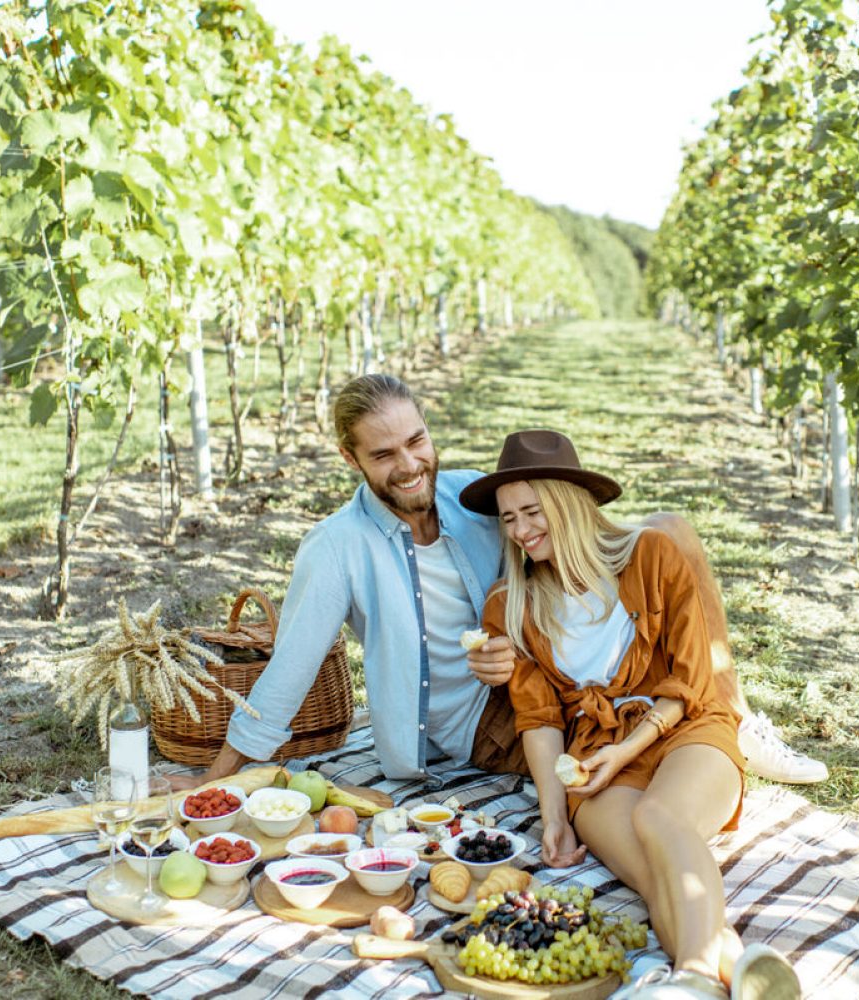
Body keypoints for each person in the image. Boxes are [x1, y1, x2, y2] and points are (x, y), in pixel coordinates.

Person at [174, 374, 825, 789]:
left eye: (417, 441)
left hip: (549, 671)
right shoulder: (336, 547)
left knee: (671, 533)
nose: (410, 466)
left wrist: (514, 644)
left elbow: (562, 548)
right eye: (383, 454)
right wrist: (216, 777)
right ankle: (705, 731)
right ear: (349, 459)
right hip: (485, 721)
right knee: (627, 741)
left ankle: (733, 716)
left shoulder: (472, 499)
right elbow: (290, 667)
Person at [463, 430, 801, 1000]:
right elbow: (540, 720)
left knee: (659, 820)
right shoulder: (511, 604)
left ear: (567, 503)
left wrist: (630, 746)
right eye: (508, 519)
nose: (520, 531)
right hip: (594, 756)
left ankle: (691, 976)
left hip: (684, 725)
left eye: (532, 511)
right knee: (650, 877)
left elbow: (694, 678)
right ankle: (741, 969)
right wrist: (554, 816)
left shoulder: (651, 556)